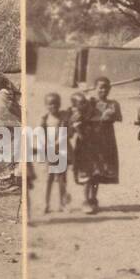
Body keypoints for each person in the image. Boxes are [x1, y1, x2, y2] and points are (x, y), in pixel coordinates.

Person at [72, 77, 121, 213]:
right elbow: (76, 113)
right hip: (88, 141)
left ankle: (93, 199)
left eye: (105, 87)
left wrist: (110, 114)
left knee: (97, 172)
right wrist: (83, 99)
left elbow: (118, 117)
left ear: (110, 89)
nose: (103, 90)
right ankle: (85, 200)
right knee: (87, 171)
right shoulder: (89, 102)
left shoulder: (113, 104)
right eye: (100, 87)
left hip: (104, 142)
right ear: (95, 88)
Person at [40, 92, 72, 214]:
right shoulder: (45, 119)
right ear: (46, 105)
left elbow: (66, 133)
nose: (52, 106)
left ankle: (62, 204)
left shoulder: (63, 117)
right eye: (49, 104)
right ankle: (46, 203)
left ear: (59, 105)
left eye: (55, 104)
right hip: (50, 151)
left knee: (62, 179)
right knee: (49, 178)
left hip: (62, 150)